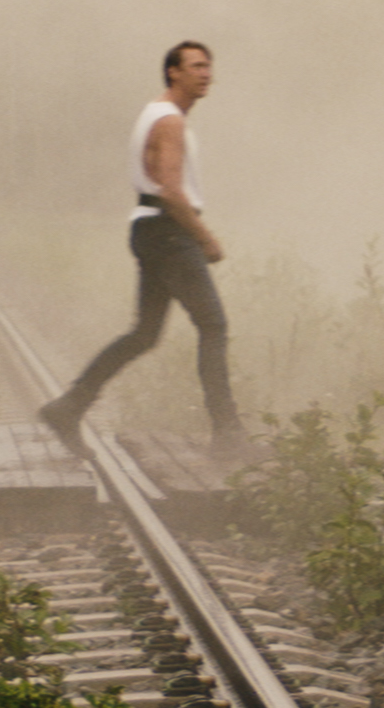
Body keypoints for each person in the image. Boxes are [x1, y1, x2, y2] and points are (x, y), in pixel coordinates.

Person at [40, 41, 243, 455]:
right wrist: (205, 237)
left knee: (144, 334)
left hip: (151, 230)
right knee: (214, 326)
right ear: (173, 72)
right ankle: (228, 434)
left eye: (209, 67)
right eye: (196, 66)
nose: (206, 74)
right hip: (169, 233)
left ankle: (69, 407)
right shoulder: (169, 121)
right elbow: (170, 189)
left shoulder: (157, 113)